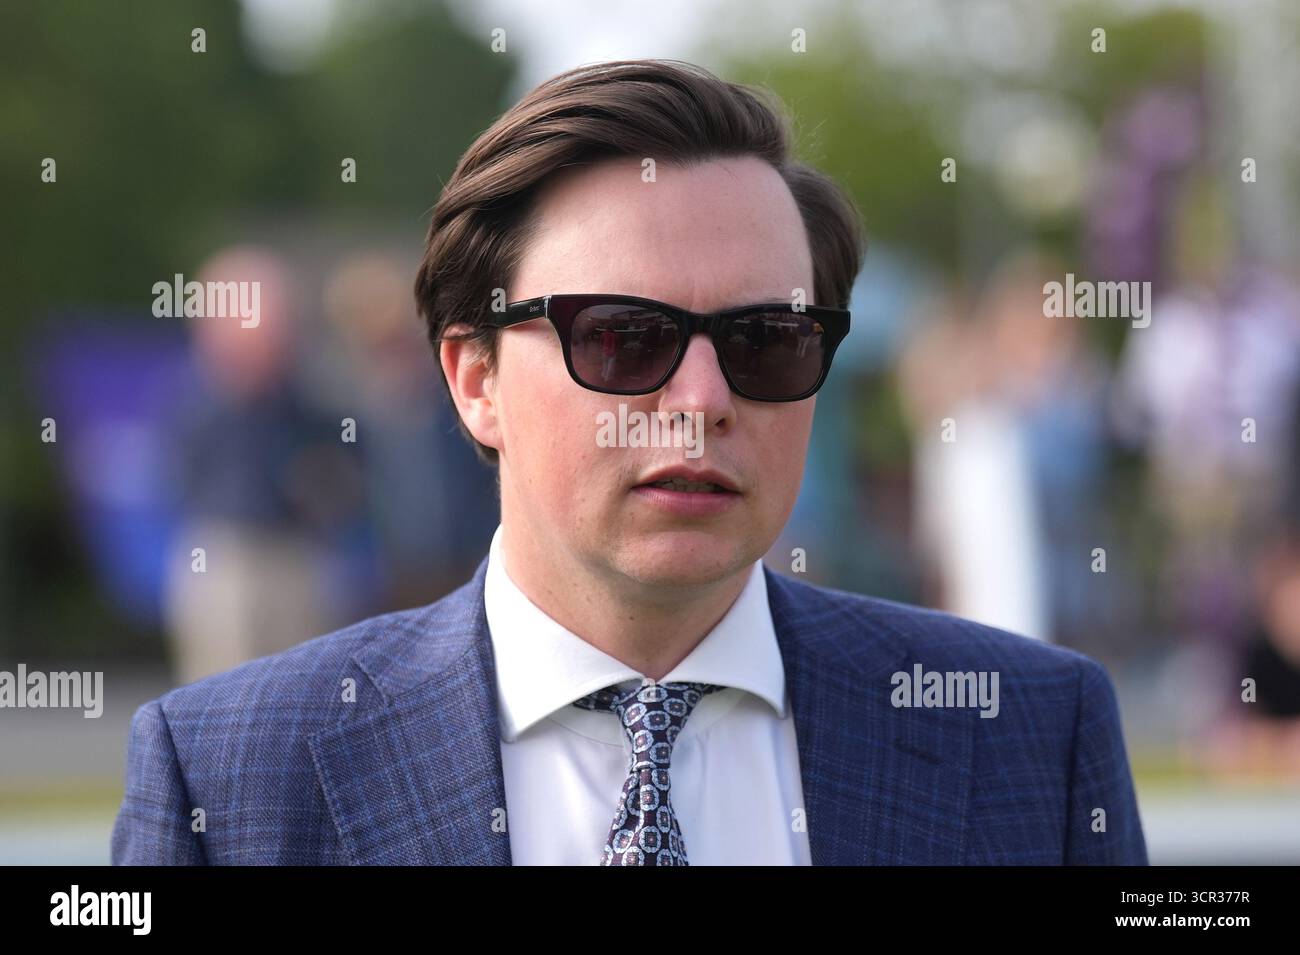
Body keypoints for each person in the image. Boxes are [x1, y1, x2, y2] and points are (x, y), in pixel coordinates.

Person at [112, 59, 1146, 865]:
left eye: (764, 341)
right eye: (620, 338)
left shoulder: (1026, 735)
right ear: (474, 379)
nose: (698, 402)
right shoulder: (228, 776)